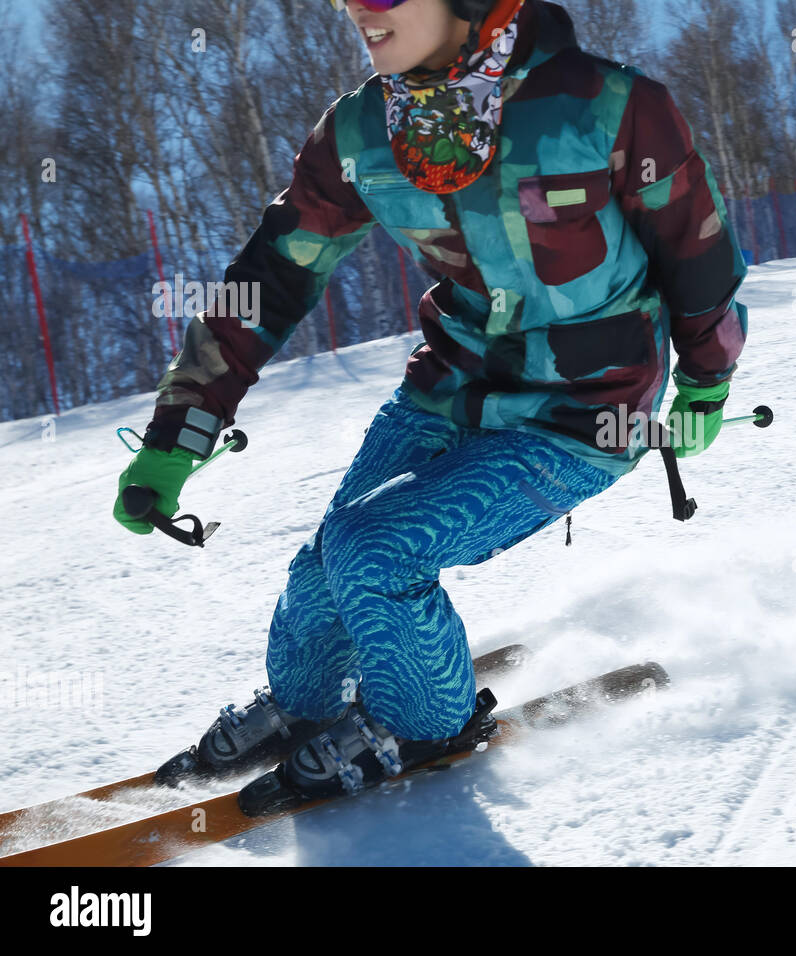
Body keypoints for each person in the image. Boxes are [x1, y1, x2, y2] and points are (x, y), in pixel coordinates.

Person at [114, 0, 748, 800]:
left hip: (586, 411)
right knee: (325, 567)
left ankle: (425, 723)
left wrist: (706, 378)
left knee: (374, 552)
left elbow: (698, 254)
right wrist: (180, 430)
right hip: (450, 387)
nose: (357, 11)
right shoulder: (361, 132)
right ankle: (306, 708)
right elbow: (271, 278)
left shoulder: (609, 108)